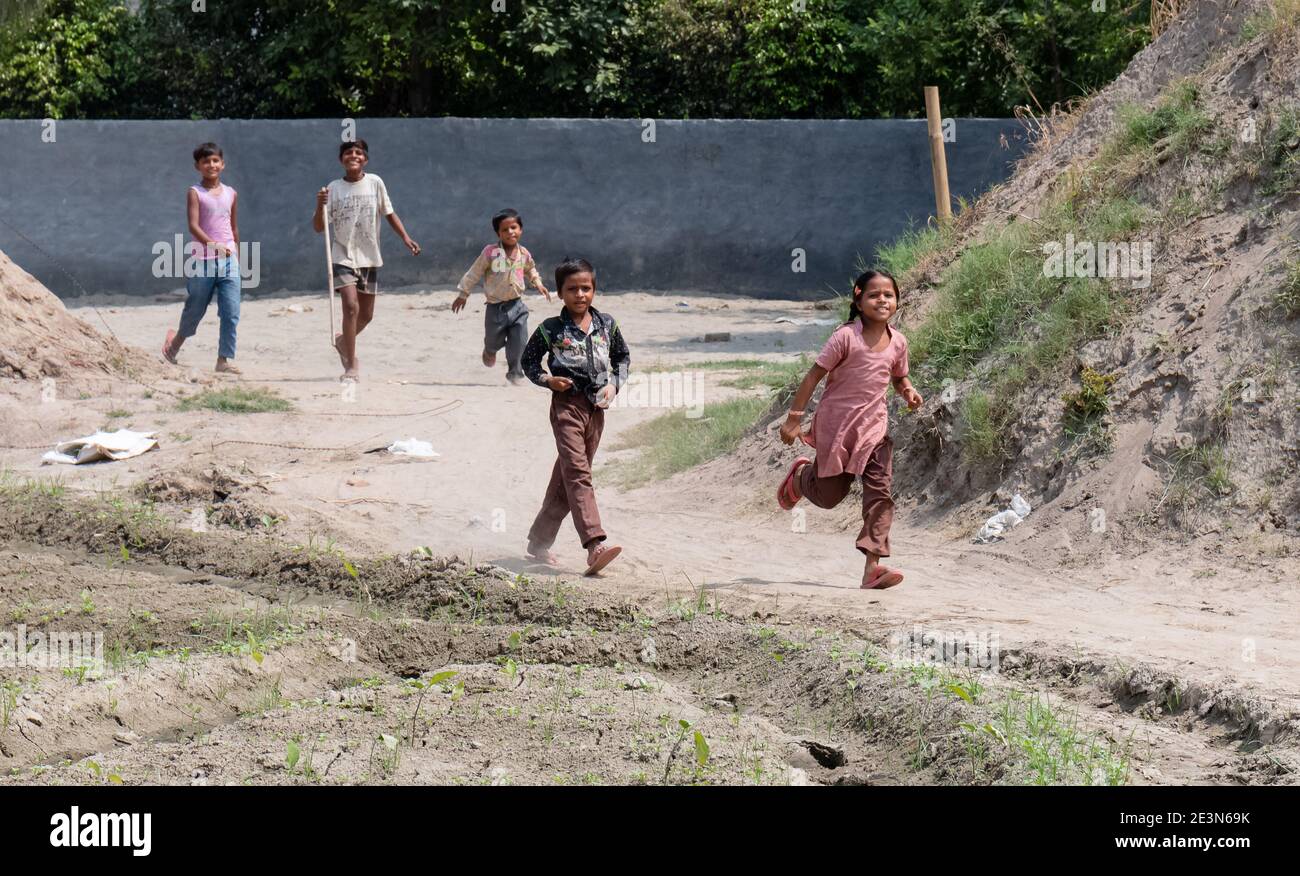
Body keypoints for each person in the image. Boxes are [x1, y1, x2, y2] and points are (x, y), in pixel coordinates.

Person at [776, 269, 923, 589]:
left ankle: (872, 567)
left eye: (889, 295)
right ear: (858, 298)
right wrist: (794, 418)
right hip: (837, 428)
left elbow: (898, 376)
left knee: (880, 494)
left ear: (897, 300)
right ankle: (803, 477)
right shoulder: (846, 337)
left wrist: (907, 390)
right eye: (874, 294)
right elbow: (814, 376)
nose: (882, 300)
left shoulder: (898, 341)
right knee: (830, 497)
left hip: (874, 430)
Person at [521, 257, 629, 575]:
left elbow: (622, 357)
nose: (580, 295)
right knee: (579, 474)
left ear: (594, 290)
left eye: (586, 288)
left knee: (565, 479)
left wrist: (614, 385)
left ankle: (538, 543)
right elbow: (529, 363)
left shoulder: (607, 325)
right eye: (572, 289)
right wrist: (548, 380)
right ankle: (595, 544)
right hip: (566, 407)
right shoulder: (551, 329)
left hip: (596, 410)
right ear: (559, 293)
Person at [312, 139, 420, 380]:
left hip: (369, 256)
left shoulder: (375, 182)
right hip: (342, 255)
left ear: (365, 160)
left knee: (366, 315)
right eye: (348, 153)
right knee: (351, 307)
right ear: (341, 160)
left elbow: (389, 213)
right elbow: (319, 227)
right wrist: (319, 205)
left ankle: (342, 342)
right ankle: (351, 365)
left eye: (358, 153)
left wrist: (406, 237)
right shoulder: (333, 188)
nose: (353, 156)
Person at [162, 142, 242, 373]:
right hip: (203, 262)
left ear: (223, 164)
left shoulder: (231, 193)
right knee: (195, 309)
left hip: (229, 261)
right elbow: (193, 226)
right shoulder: (195, 192)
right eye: (206, 161)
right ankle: (174, 345)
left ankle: (223, 360)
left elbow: (233, 227)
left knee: (231, 311)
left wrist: (235, 252)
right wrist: (214, 246)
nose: (211, 165)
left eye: (215, 160)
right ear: (198, 166)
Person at [453, 208, 551, 384]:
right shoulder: (490, 252)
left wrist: (538, 283)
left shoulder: (524, 254)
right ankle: (490, 350)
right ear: (498, 233)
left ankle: (515, 373)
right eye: (504, 230)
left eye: (514, 227)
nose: (510, 232)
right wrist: (463, 293)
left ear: (520, 229)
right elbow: (474, 272)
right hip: (495, 308)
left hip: (517, 306)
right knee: (493, 340)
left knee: (519, 341)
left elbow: (531, 269)